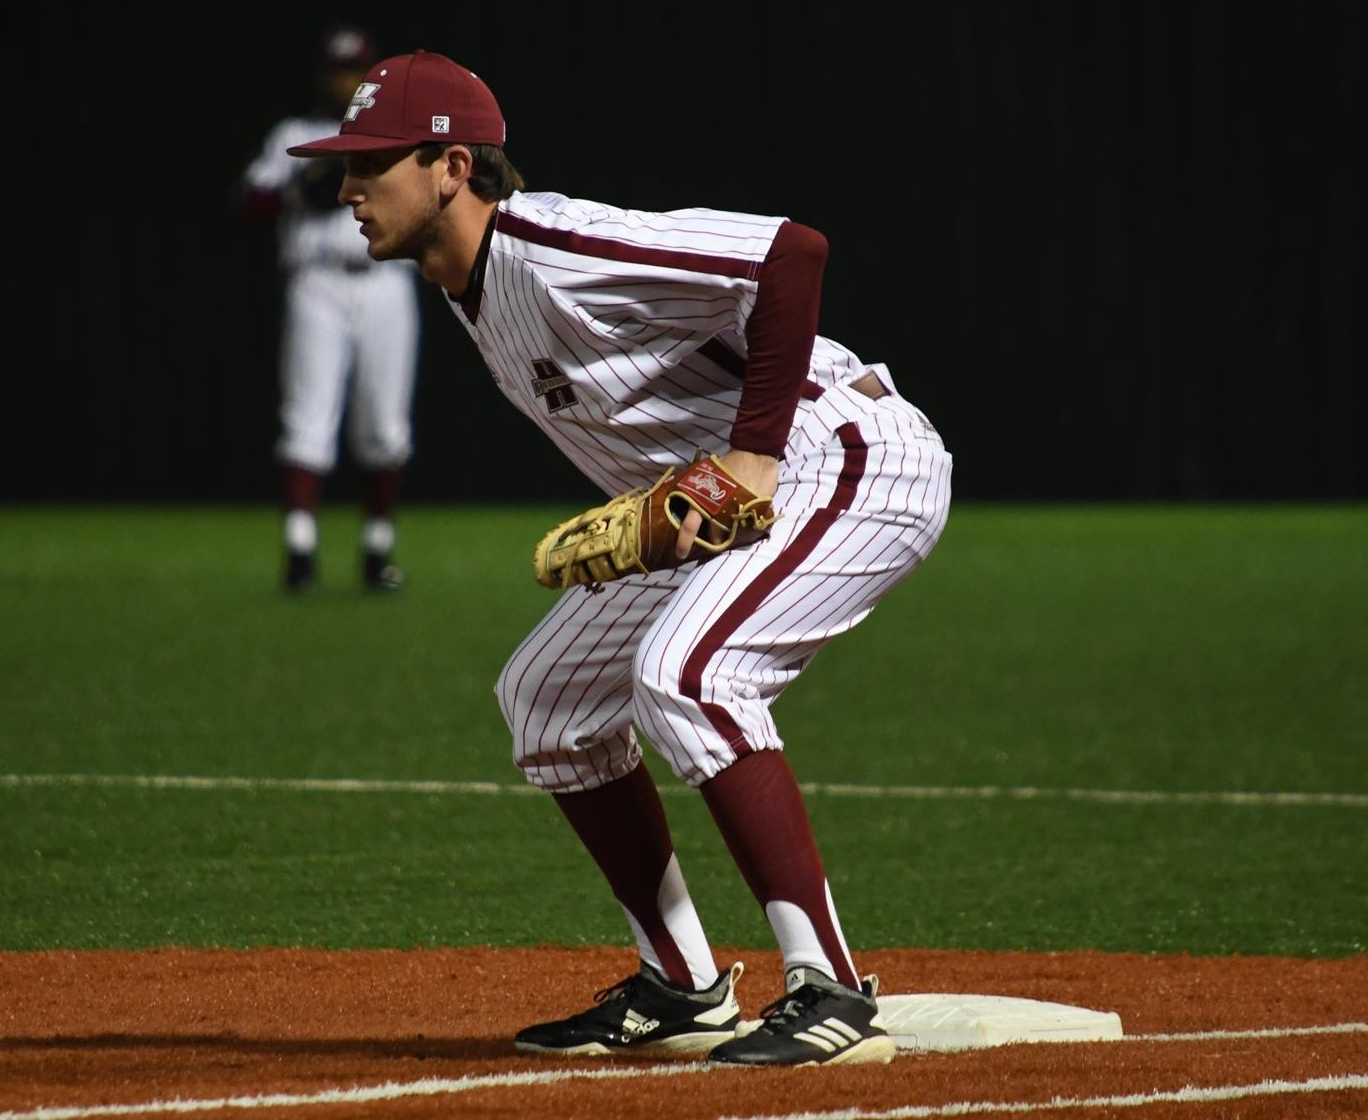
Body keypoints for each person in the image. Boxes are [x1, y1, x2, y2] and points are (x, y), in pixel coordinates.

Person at [286, 50, 952, 1066]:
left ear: (452, 167)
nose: (348, 188)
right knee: (546, 700)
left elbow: (791, 254)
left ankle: (830, 989)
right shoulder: (464, 286)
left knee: (689, 673)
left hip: (848, 455)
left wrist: (752, 454)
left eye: (372, 163)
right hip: (728, 504)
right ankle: (682, 986)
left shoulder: (551, 246)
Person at [240, 25, 421, 593]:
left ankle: (377, 551)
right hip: (316, 282)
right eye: (338, 71)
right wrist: (299, 183)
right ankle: (300, 551)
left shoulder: (395, 136)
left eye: (354, 71)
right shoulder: (294, 135)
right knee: (307, 417)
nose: (345, 81)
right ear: (322, 76)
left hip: (385, 282)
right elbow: (249, 201)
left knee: (385, 424)